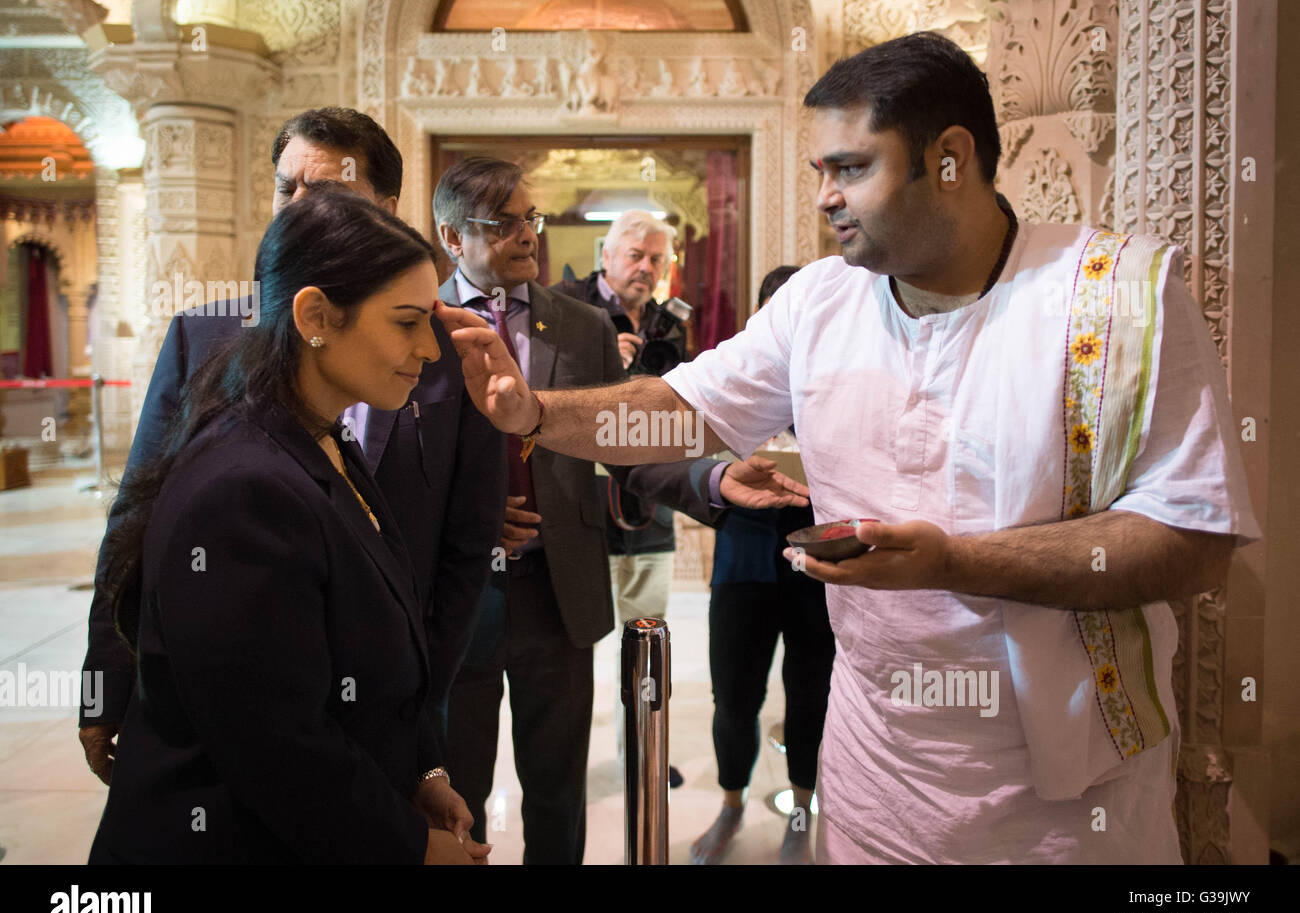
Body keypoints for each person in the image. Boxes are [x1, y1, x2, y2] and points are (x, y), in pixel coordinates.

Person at [437, 32, 1260, 864]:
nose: (826, 198)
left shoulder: (1118, 294)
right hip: (874, 770)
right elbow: (680, 413)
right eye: (818, 173)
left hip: (1067, 801)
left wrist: (954, 563)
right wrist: (534, 414)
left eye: (852, 168)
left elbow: (1192, 544)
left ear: (949, 158)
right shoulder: (821, 301)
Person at [78, 107, 505, 785]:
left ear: (385, 213)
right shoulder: (203, 337)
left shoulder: (446, 350)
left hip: (392, 692)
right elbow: (138, 509)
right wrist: (104, 683)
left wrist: (415, 712)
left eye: (328, 192)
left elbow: (464, 541)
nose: (298, 206)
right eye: (287, 188)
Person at [432, 157, 809, 864]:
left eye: (530, 218)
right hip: (456, 600)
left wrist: (716, 478)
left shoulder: (577, 327)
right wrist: (469, 521)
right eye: (503, 222)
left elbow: (627, 445)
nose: (526, 234)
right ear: (452, 237)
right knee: (456, 794)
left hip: (557, 591)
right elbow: (397, 467)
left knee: (556, 790)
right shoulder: (417, 328)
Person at [689, 265, 835, 866]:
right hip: (744, 562)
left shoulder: (837, 385)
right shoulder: (736, 382)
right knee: (734, 696)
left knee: (811, 695)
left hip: (817, 562)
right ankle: (729, 806)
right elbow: (695, 463)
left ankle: (801, 809)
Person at [552, 210, 687, 786]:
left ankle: (641, 751)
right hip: (576, 503)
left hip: (646, 503)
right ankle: (563, 759)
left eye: (656, 259)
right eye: (635, 255)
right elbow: (546, 404)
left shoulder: (668, 321)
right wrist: (611, 368)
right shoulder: (562, 308)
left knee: (646, 638)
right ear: (606, 255)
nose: (645, 268)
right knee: (571, 646)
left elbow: (680, 409)